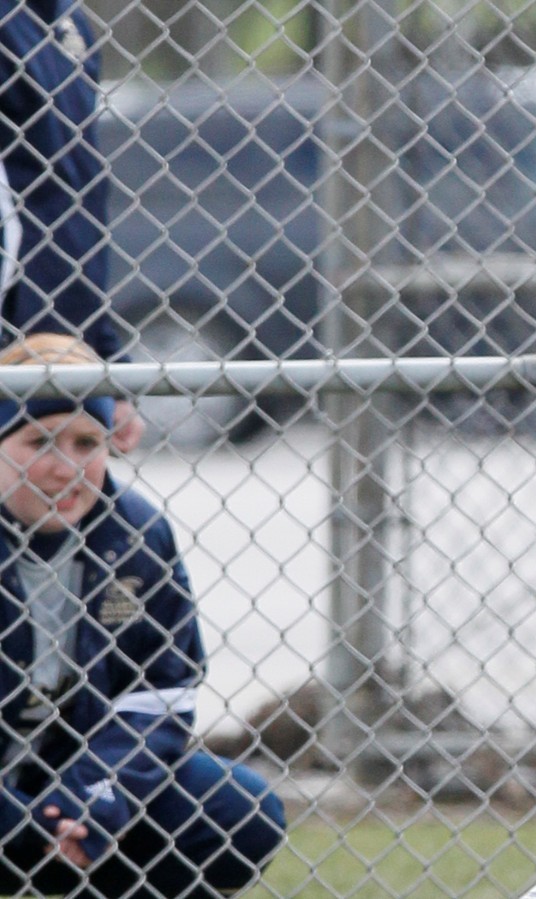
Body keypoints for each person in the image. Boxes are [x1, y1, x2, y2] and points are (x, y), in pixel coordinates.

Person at [0, 333, 284, 896]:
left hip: (65, 775)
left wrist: (93, 794)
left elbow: (163, 689)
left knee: (239, 812)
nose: (68, 469)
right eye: (42, 442)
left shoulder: (135, 534)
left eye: (88, 442)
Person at [1, 0, 144, 452]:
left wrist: (105, 358)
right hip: (14, 341)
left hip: (66, 343)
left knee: (114, 516)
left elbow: (75, 199)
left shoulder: (69, 20)